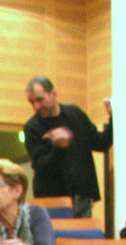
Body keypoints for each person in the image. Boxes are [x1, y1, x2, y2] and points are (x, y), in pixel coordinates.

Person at [23, 76, 113, 219]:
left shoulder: (75, 114)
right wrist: (58, 147)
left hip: (82, 198)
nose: (36, 107)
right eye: (31, 102)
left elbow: (100, 143)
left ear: (53, 93)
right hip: (53, 202)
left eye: (40, 100)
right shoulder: (32, 127)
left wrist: (113, 118)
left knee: (85, 234)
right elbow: (40, 166)